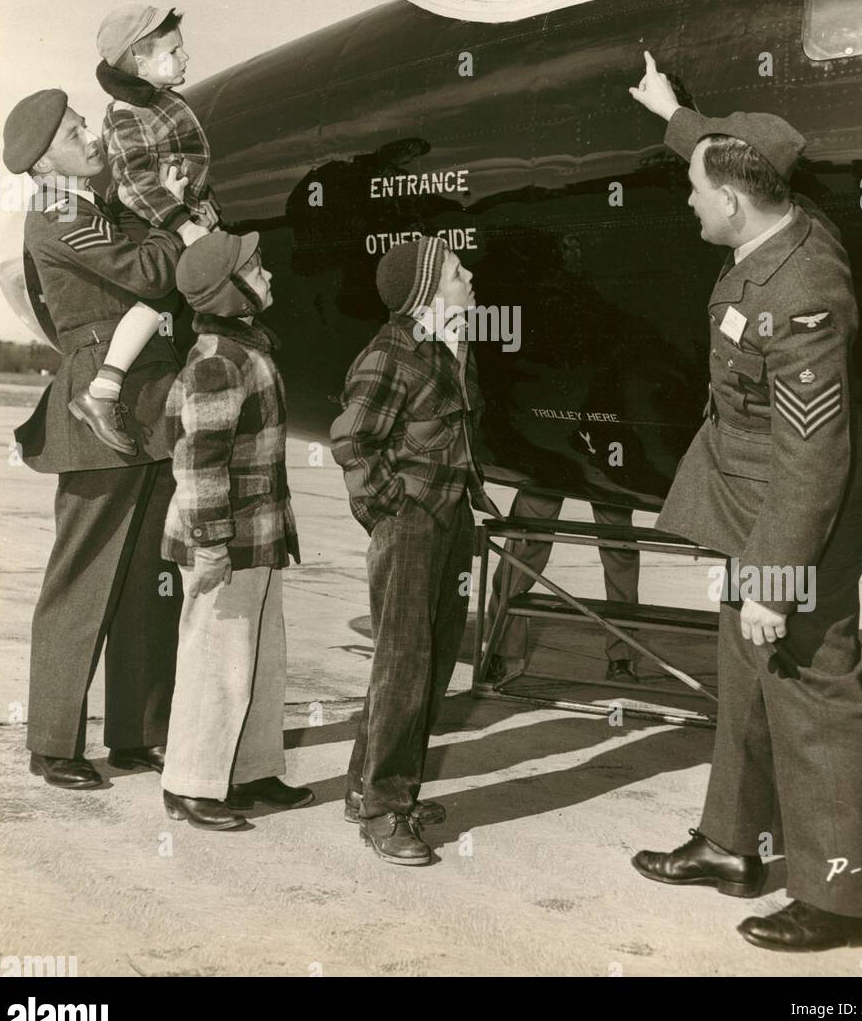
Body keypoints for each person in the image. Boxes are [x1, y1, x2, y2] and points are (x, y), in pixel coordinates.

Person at [627, 52, 862, 952]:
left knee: (813, 689)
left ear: (735, 204)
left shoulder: (803, 295)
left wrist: (776, 580)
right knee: (745, 677)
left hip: (797, 518)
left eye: (696, 192)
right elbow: (719, 152)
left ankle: (843, 897)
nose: (689, 200)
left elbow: (816, 457)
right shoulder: (779, 212)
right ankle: (733, 846)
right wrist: (676, 116)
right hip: (750, 501)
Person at [3, 89, 191, 790]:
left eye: (86, 127)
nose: (93, 139)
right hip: (97, 412)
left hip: (147, 406)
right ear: (45, 155)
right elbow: (148, 273)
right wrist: (173, 219)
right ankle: (52, 742)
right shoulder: (58, 217)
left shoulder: (93, 208)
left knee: (149, 580)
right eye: (78, 132)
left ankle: (138, 733)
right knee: (83, 578)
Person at [331, 236, 499, 866]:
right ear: (428, 291)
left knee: (428, 660)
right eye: (458, 270)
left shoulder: (453, 344)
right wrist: (391, 511)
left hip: (450, 520)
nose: (470, 275)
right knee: (404, 663)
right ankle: (385, 809)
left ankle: (363, 785)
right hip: (412, 525)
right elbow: (352, 441)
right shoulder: (390, 353)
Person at [159, 231, 312, 831]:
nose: (269, 272)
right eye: (257, 266)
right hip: (224, 540)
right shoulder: (220, 362)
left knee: (260, 660)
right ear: (231, 293)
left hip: (259, 538)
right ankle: (191, 784)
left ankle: (250, 771)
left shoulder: (247, 349)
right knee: (215, 661)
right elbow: (198, 461)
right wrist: (213, 544)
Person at [67, 5, 217, 455]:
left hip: (175, 210)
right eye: (173, 51)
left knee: (175, 301)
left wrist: (203, 207)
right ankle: (103, 390)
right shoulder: (124, 113)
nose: (186, 57)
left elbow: (188, 168)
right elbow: (134, 184)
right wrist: (183, 224)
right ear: (139, 61)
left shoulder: (163, 100)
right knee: (156, 299)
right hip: (146, 216)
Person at [485, 488, 643, 686]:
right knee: (525, 542)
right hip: (550, 466)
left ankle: (622, 656)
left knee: (620, 549)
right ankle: (499, 650)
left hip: (610, 466)